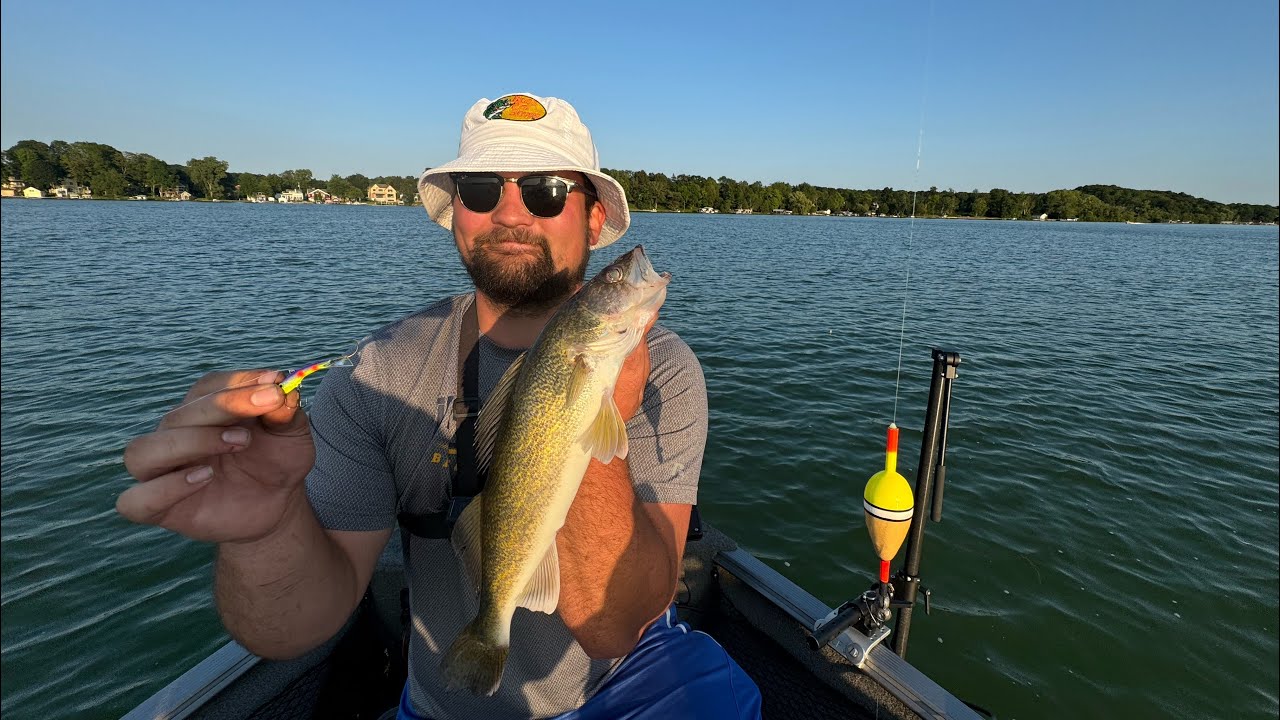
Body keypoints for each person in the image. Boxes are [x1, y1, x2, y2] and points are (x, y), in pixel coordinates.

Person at [118, 93, 762, 719]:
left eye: (545, 190)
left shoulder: (665, 371)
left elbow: (614, 628)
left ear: (595, 220)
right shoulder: (377, 375)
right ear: (455, 213)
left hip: (625, 683)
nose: (511, 213)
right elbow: (289, 635)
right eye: (481, 190)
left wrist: (594, 401)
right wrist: (262, 531)